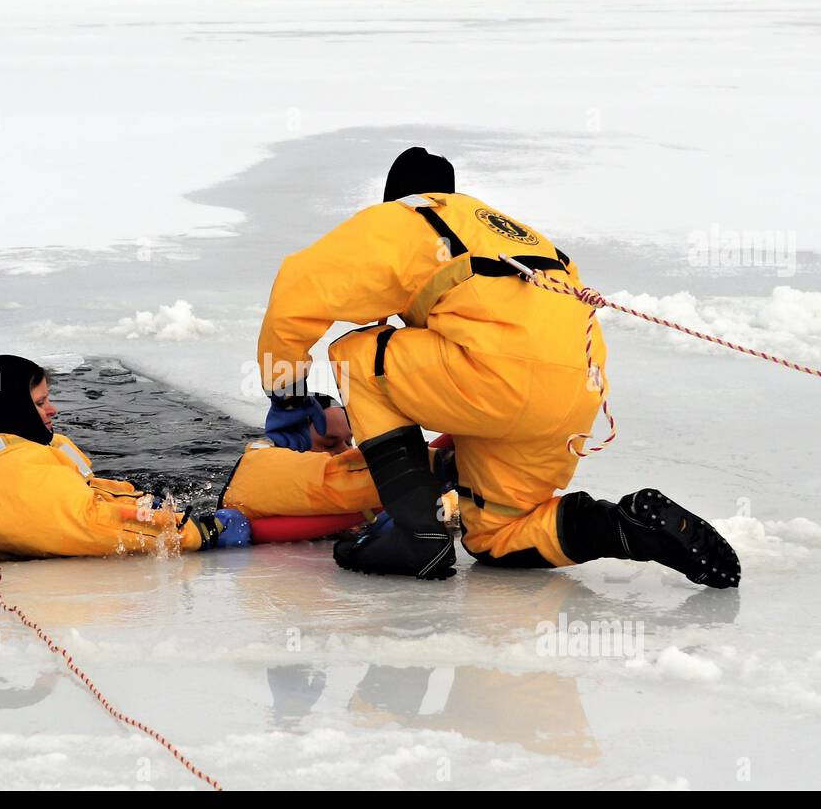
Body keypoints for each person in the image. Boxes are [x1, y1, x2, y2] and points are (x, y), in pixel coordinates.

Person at [254, 146, 740, 587]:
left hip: (492, 374)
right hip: (571, 395)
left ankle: (417, 528)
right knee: (496, 532)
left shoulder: (399, 218)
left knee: (358, 353)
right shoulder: (509, 229)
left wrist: (289, 397)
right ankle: (625, 527)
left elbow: (297, 291)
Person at [0, 355, 249, 561]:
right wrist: (194, 532)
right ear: (16, 411)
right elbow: (94, 525)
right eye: (40, 403)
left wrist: (136, 494)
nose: (53, 410)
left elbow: (80, 492)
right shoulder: (23, 479)